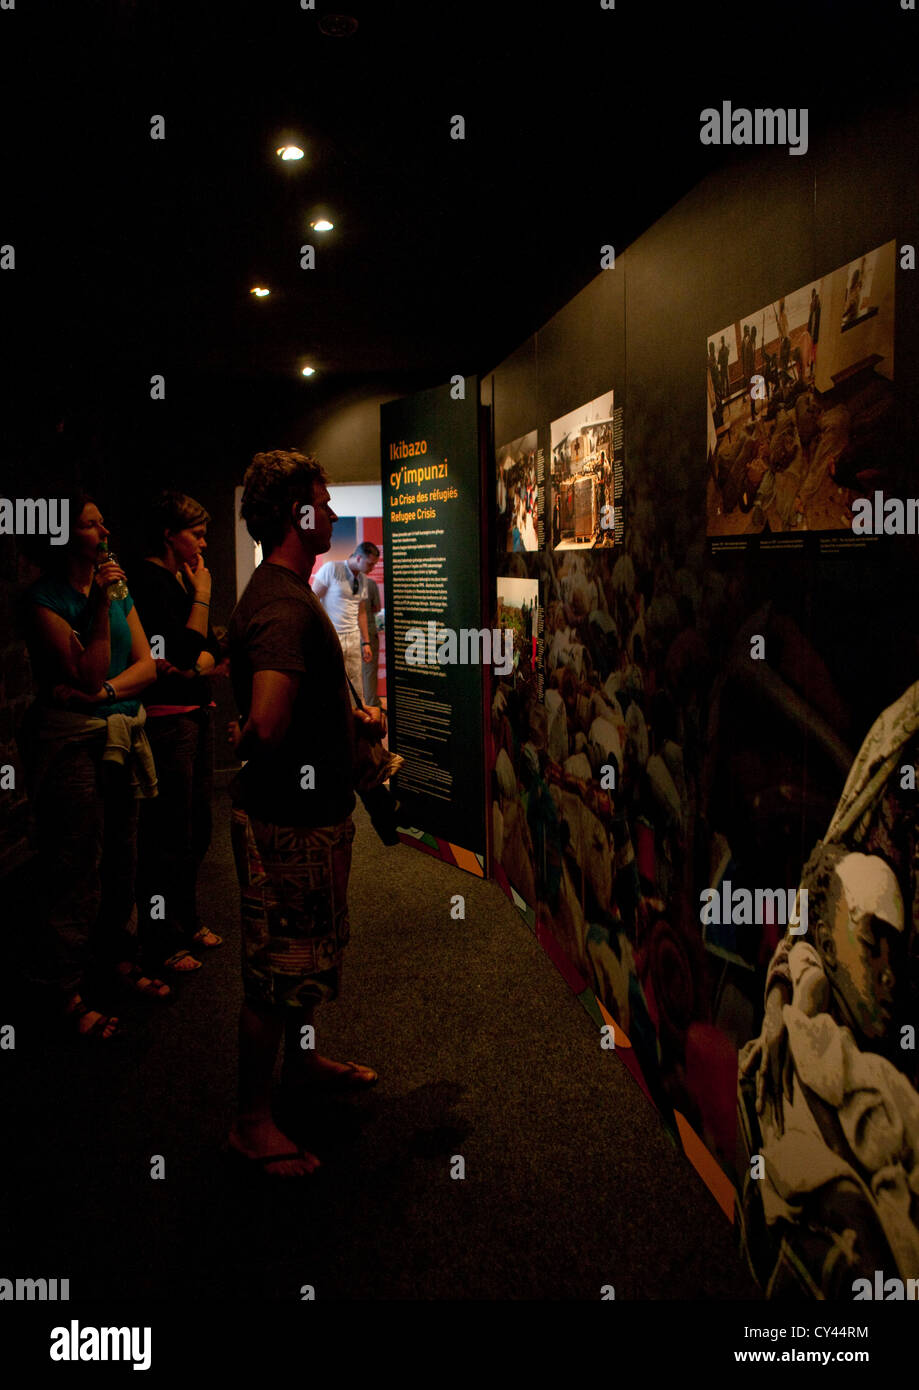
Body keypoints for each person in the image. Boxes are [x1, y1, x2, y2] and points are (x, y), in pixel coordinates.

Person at [226, 450, 380, 1177]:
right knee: (276, 971)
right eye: (322, 502)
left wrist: (351, 727)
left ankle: (301, 1070)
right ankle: (252, 1122)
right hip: (287, 823)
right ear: (296, 513)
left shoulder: (277, 590)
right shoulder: (285, 606)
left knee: (304, 962)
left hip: (305, 816)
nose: (332, 514)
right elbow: (266, 722)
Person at [22, 491, 161, 1038]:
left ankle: (116, 962)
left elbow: (147, 667)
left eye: (104, 521)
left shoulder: (120, 586)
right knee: (77, 861)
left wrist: (103, 693)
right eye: (89, 524)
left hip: (118, 730)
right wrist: (101, 606)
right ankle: (62, 991)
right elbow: (82, 671)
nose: (104, 532)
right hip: (72, 741)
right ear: (62, 535)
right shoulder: (44, 599)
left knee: (123, 857)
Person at [130, 491, 224, 975]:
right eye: (197, 533)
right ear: (169, 534)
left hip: (194, 710)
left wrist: (195, 666)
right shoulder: (149, 581)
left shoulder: (180, 581)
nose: (204, 543)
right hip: (167, 720)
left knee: (196, 830)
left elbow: (207, 650)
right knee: (167, 834)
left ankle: (185, 920)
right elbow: (187, 654)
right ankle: (159, 939)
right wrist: (202, 595)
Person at [311, 542, 379, 691]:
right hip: (333, 635)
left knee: (356, 680)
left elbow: (361, 611)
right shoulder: (332, 569)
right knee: (331, 680)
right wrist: (320, 633)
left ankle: (357, 712)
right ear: (359, 558)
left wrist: (366, 642)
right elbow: (313, 600)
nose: (372, 568)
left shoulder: (362, 579)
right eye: (370, 564)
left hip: (353, 636)